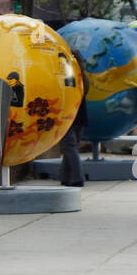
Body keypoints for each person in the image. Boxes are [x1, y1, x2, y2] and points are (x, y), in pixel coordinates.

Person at [58, 49, 89, 187]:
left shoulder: (68, 77)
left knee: (69, 148)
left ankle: (78, 178)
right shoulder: (83, 76)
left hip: (68, 116)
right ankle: (65, 178)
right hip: (80, 116)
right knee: (70, 147)